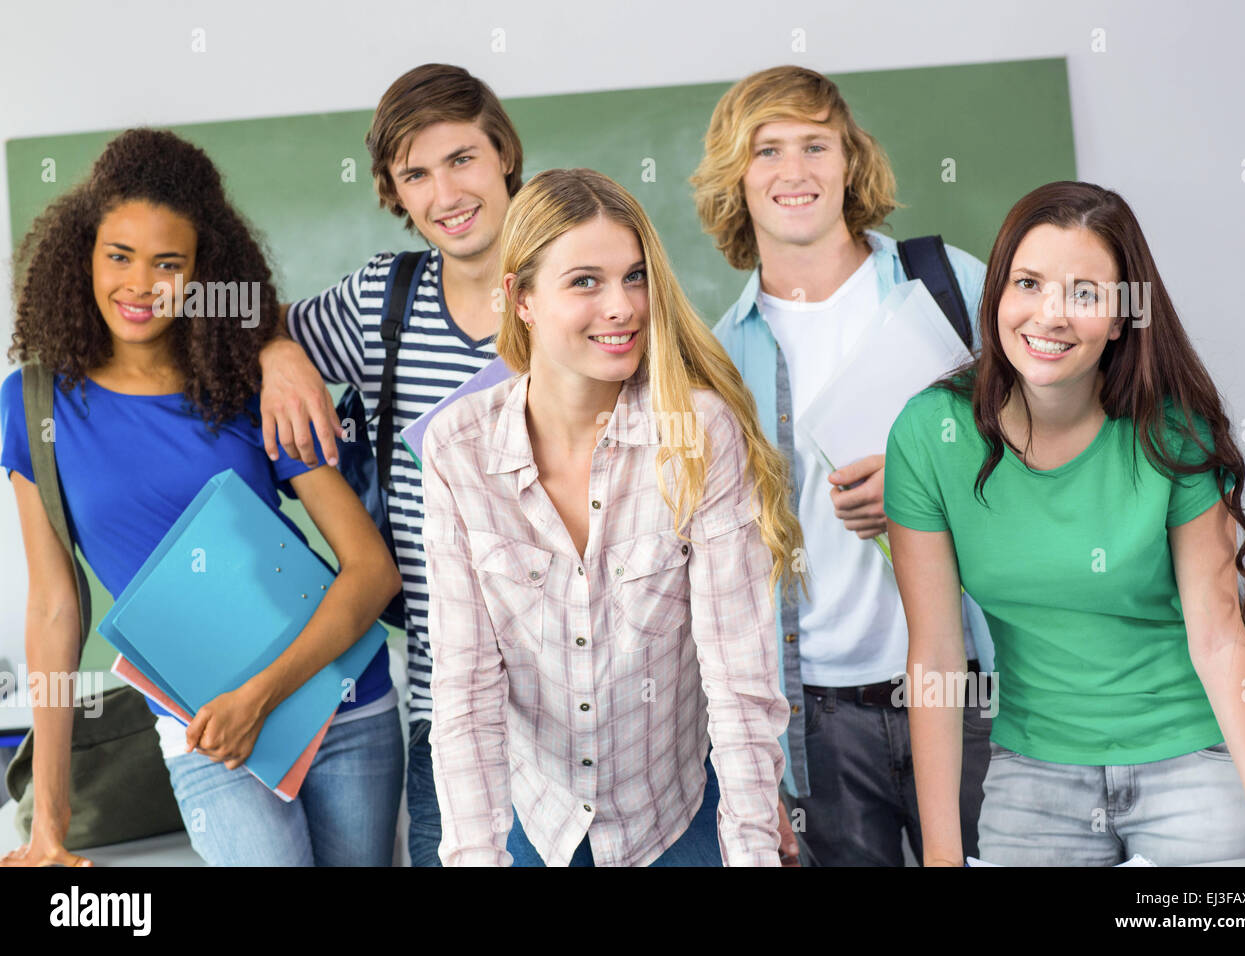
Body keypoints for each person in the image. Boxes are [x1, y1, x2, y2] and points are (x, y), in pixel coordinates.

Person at [0, 129, 404, 867]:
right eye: (118, 255)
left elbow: (371, 570)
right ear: (82, 253)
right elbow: (54, 609)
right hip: (200, 728)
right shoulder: (34, 405)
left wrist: (261, 692)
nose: (139, 284)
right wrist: (46, 827)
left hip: (342, 704)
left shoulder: (251, 384)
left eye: (168, 264)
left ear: (202, 271)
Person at [884, 180, 1245, 866]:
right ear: (996, 296)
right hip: (1033, 776)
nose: (1050, 315)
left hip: (1188, 759)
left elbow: (1220, 635)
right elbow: (934, 657)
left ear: (1120, 318)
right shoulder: (931, 435)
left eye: (1084, 293)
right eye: (1027, 283)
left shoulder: (1174, 435)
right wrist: (941, 855)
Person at [420, 167, 801, 866]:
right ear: (522, 298)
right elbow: (465, 692)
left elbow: (739, 682)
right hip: (537, 821)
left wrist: (751, 845)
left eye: (634, 277)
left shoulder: (697, 433)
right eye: (585, 282)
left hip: (674, 817)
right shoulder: (457, 450)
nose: (623, 306)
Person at [692, 64, 993, 866]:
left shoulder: (950, 287)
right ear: (736, 178)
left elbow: (1058, 458)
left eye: (815, 145)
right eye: (767, 151)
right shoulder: (716, 360)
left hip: (970, 691)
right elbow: (715, 578)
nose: (795, 172)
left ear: (851, 159)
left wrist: (930, 492)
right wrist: (759, 781)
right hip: (814, 721)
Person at [256, 64, 523, 865]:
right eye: (416, 174)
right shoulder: (385, 303)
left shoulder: (586, 292)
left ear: (505, 152)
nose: (446, 193)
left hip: (605, 712)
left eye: (463, 159)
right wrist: (275, 349)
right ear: (394, 192)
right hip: (452, 718)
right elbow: (230, 316)